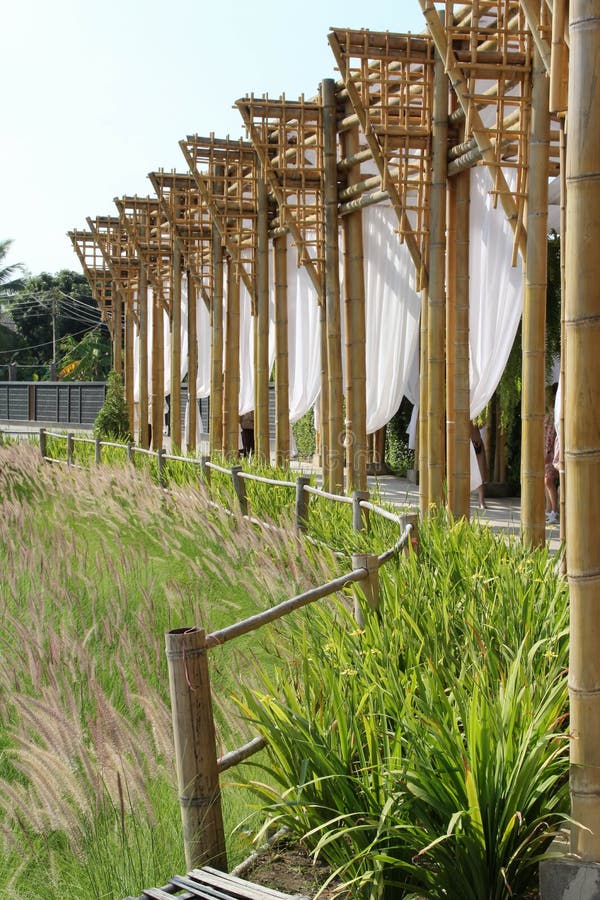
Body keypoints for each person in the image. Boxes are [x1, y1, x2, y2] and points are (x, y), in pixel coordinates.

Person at [544, 385, 560, 525]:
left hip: (552, 449)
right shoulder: (548, 412)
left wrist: (549, 451)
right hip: (546, 448)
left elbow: (552, 434)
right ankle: (549, 510)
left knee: (549, 480)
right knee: (546, 481)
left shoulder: (557, 412)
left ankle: (554, 510)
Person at [470, 422, 488, 509]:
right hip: (461, 442)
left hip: (476, 442)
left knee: (481, 472)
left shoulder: (475, 410)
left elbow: (482, 424)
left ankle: (481, 500)